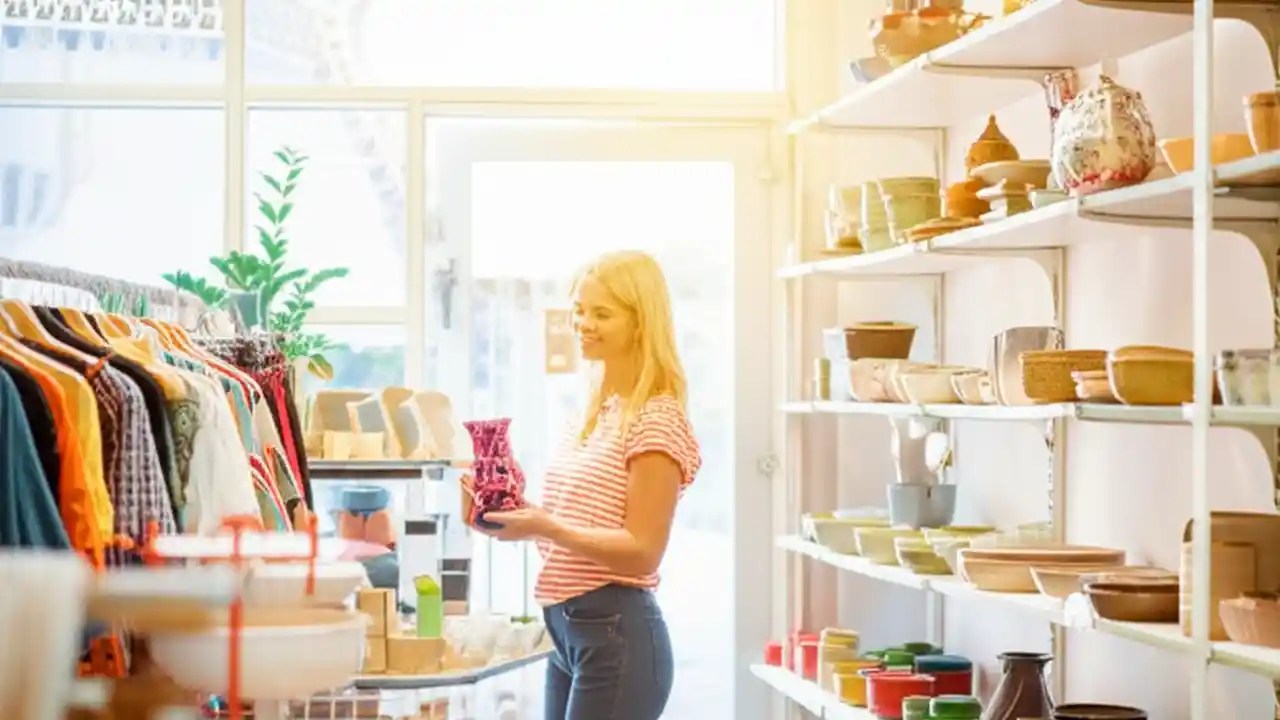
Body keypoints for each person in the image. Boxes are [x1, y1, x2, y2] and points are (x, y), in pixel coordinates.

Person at [461, 250, 701, 720]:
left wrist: (545, 525)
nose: (583, 323)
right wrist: (511, 514)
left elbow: (643, 550)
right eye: (579, 310)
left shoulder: (656, 418)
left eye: (602, 313)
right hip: (568, 631)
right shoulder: (590, 414)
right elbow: (570, 534)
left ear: (640, 323)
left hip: (617, 634)